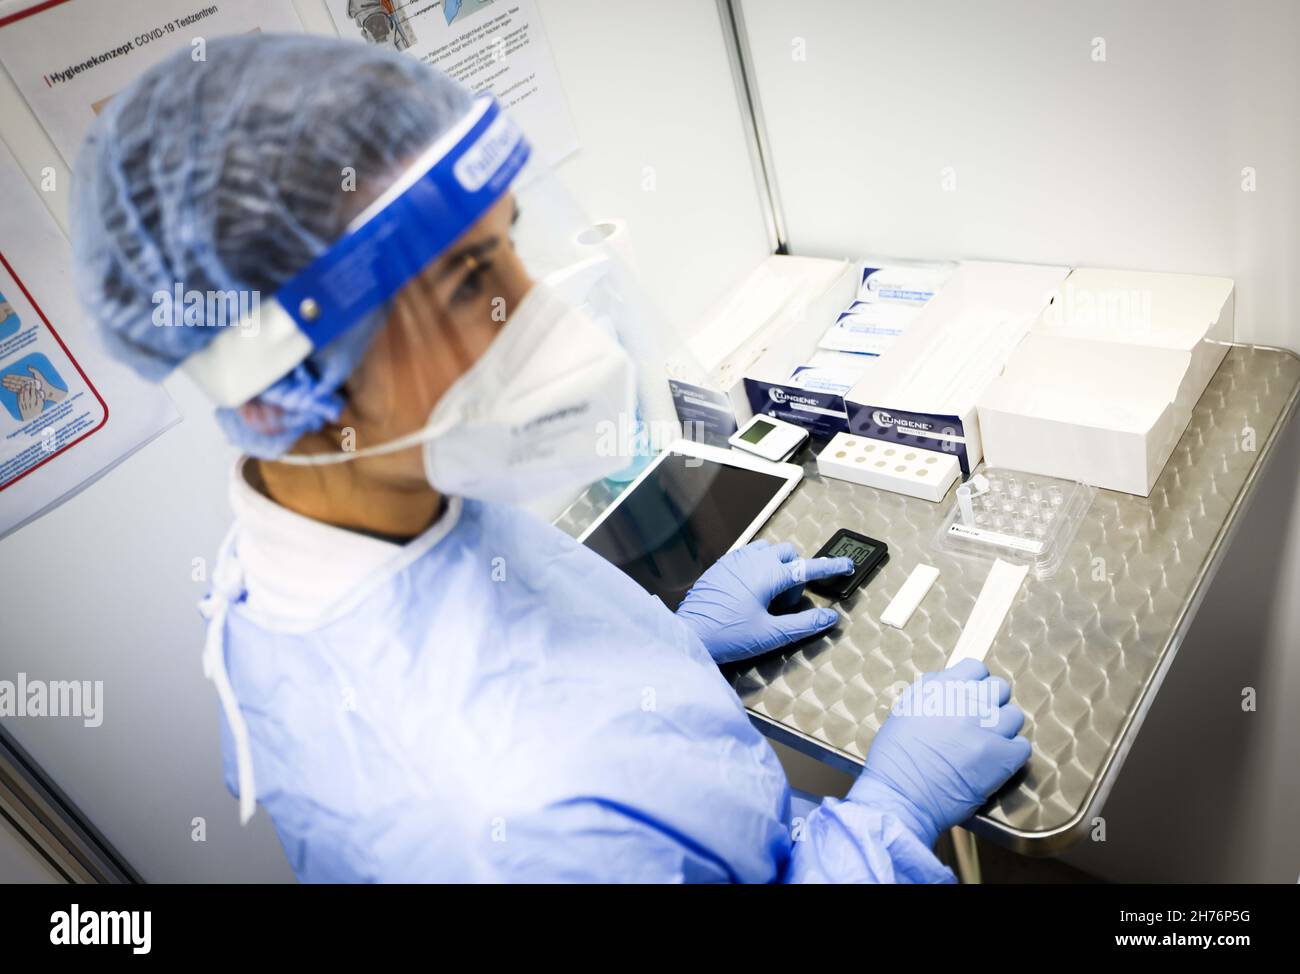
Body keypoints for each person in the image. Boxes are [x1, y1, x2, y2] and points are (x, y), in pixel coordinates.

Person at [71, 34, 1030, 883]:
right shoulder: (501, 832)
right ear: (283, 386)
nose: (541, 318)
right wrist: (888, 821)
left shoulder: (344, 521)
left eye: (509, 250)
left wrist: (671, 653)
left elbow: (519, 678)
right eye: (468, 285)